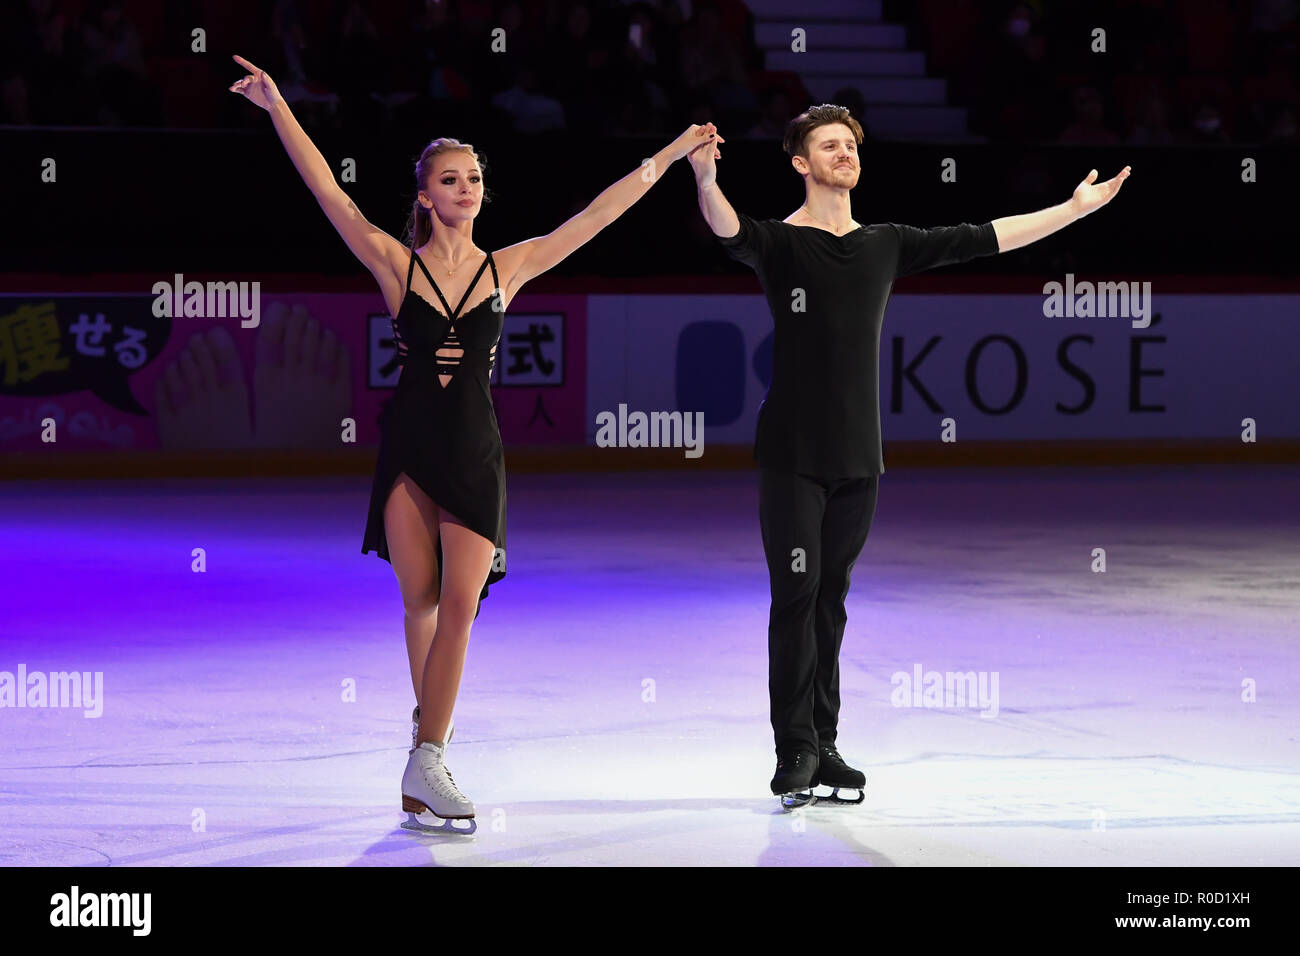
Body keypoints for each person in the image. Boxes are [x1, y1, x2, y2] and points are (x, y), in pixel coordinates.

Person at [229, 53, 722, 833]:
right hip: (409, 449)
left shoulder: (509, 266)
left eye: (474, 178)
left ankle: (427, 755)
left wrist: (668, 156)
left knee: (461, 605)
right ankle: (428, 747)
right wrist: (279, 106)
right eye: (451, 179)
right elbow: (328, 190)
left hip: (475, 450)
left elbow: (595, 217)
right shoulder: (397, 265)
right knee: (420, 602)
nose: (467, 188)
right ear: (425, 195)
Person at [688, 103, 1130, 809]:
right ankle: (793, 748)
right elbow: (727, 230)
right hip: (793, 454)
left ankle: (825, 743)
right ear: (801, 163)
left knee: (831, 601)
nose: (844, 153)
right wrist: (706, 178)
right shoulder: (780, 243)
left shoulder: (885, 243)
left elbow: (985, 237)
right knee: (796, 597)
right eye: (829, 145)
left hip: (860, 455)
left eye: (850, 145)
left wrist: (1072, 211)